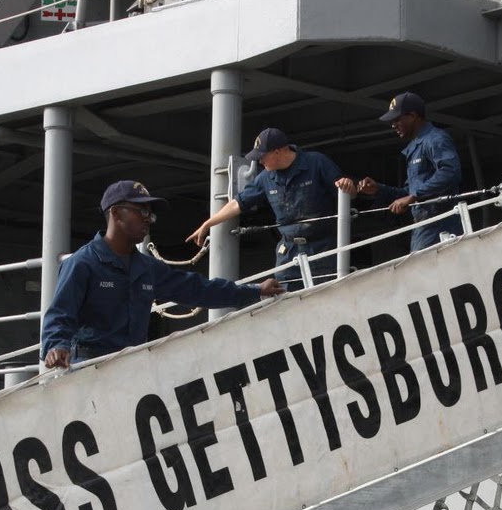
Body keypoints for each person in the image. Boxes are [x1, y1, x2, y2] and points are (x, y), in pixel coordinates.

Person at [41, 180, 285, 368]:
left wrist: (254, 291)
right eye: (141, 212)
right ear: (115, 213)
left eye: (150, 214)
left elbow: (197, 289)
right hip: (88, 366)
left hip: (131, 366)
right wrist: (56, 347)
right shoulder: (83, 263)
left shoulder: (146, 268)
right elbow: (60, 315)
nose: (149, 220)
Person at [188, 128, 347, 289]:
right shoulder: (265, 177)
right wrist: (207, 224)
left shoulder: (316, 162)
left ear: (277, 152)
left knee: (326, 298)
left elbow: (347, 193)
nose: (260, 162)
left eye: (262, 157)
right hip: (288, 251)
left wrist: (349, 187)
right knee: (285, 301)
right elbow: (238, 203)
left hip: (321, 248)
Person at [336, 92, 464, 252]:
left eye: (397, 119)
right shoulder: (414, 147)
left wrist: (414, 196)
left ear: (412, 116)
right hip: (424, 224)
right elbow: (407, 193)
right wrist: (379, 189)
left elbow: (450, 172)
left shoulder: (436, 138)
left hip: (441, 221)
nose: (393, 125)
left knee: (420, 272)